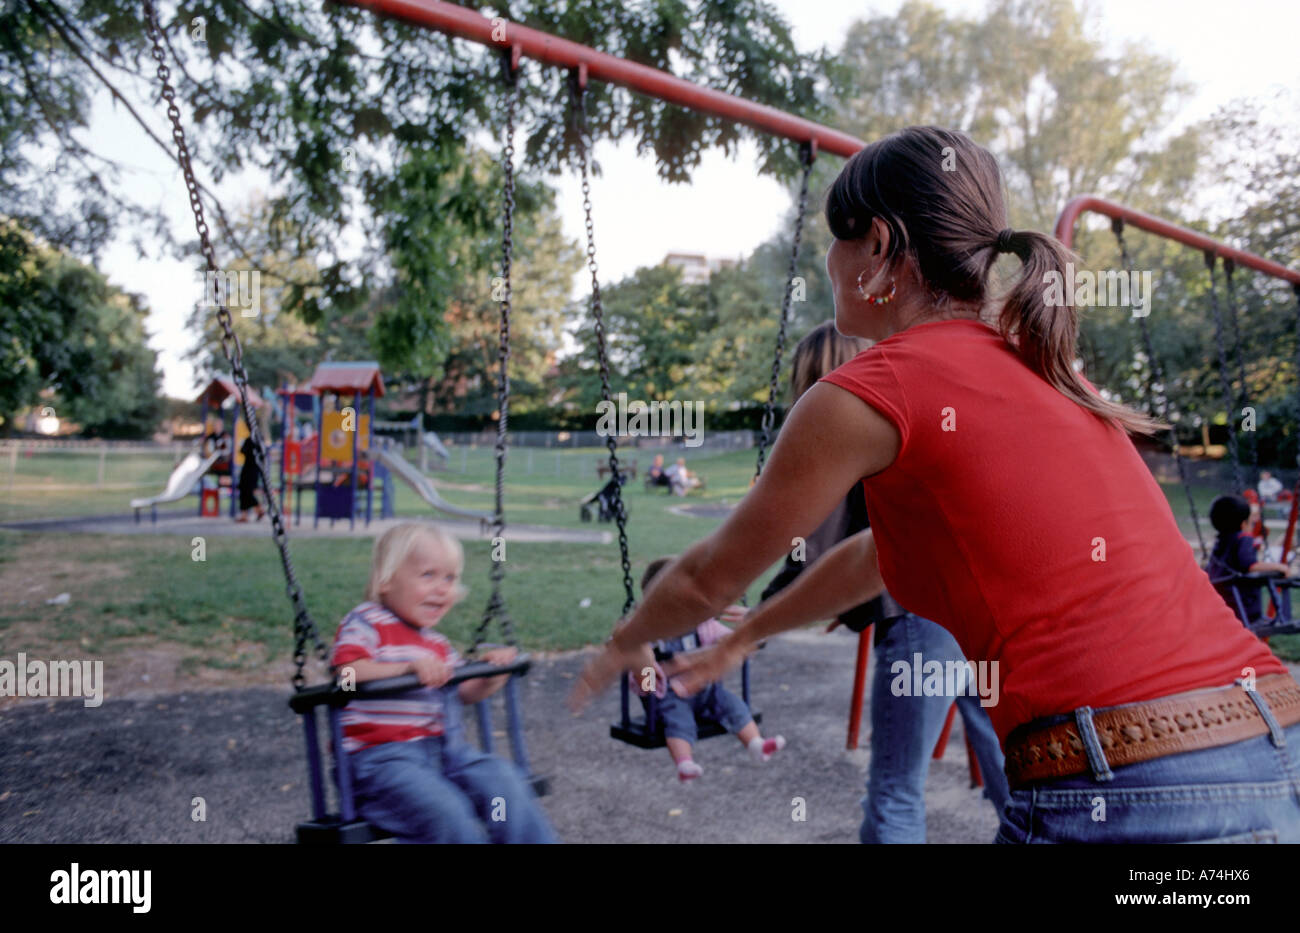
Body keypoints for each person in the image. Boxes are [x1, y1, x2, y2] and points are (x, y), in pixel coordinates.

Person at [569, 126, 1300, 844]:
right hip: (1272, 742)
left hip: (1134, 784)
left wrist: (624, 641)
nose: (827, 261)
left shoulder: (868, 391)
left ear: (879, 246)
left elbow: (704, 576)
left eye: (837, 237)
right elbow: (875, 559)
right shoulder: (1053, 370)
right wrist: (744, 638)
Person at [761, 321, 1008, 843]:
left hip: (923, 628)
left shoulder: (839, 433)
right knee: (1013, 770)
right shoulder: (909, 418)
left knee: (896, 789)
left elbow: (815, 543)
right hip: (983, 620)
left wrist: (762, 618)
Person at [330, 522, 558, 844]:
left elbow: (464, 694)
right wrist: (405, 668)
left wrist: (492, 676)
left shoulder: (437, 644)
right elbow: (347, 676)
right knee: (447, 813)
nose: (442, 588)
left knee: (504, 786)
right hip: (383, 763)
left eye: (449, 578)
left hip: (448, 756)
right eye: (428, 575)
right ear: (386, 581)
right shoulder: (366, 622)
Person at [632, 558, 784, 782]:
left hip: (706, 690)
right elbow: (641, 681)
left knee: (734, 705)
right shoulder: (647, 637)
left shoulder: (704, 625)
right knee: (678, 722)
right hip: (668, 699)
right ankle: (685, 763)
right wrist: (647, 670)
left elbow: (731, 641)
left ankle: (756, 744)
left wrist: (749, 633)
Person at [1207, 494, 1294, 625]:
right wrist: (1279, 567)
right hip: (1243, 607)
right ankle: (1284, 619)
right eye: (1251, 522)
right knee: (1284, 580)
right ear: (1244, 524)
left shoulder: (1221, 540)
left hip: (1222, 600)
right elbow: (1249, 564)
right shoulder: (1244, 538)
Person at [235, 434, 266, 522]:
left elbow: (243, 450)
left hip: (251, 469)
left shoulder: (252, 440)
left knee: (247, 492)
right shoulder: (256, 440)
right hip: (251, 469)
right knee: (244, 491)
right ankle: (247, 514)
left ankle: (259, 509)